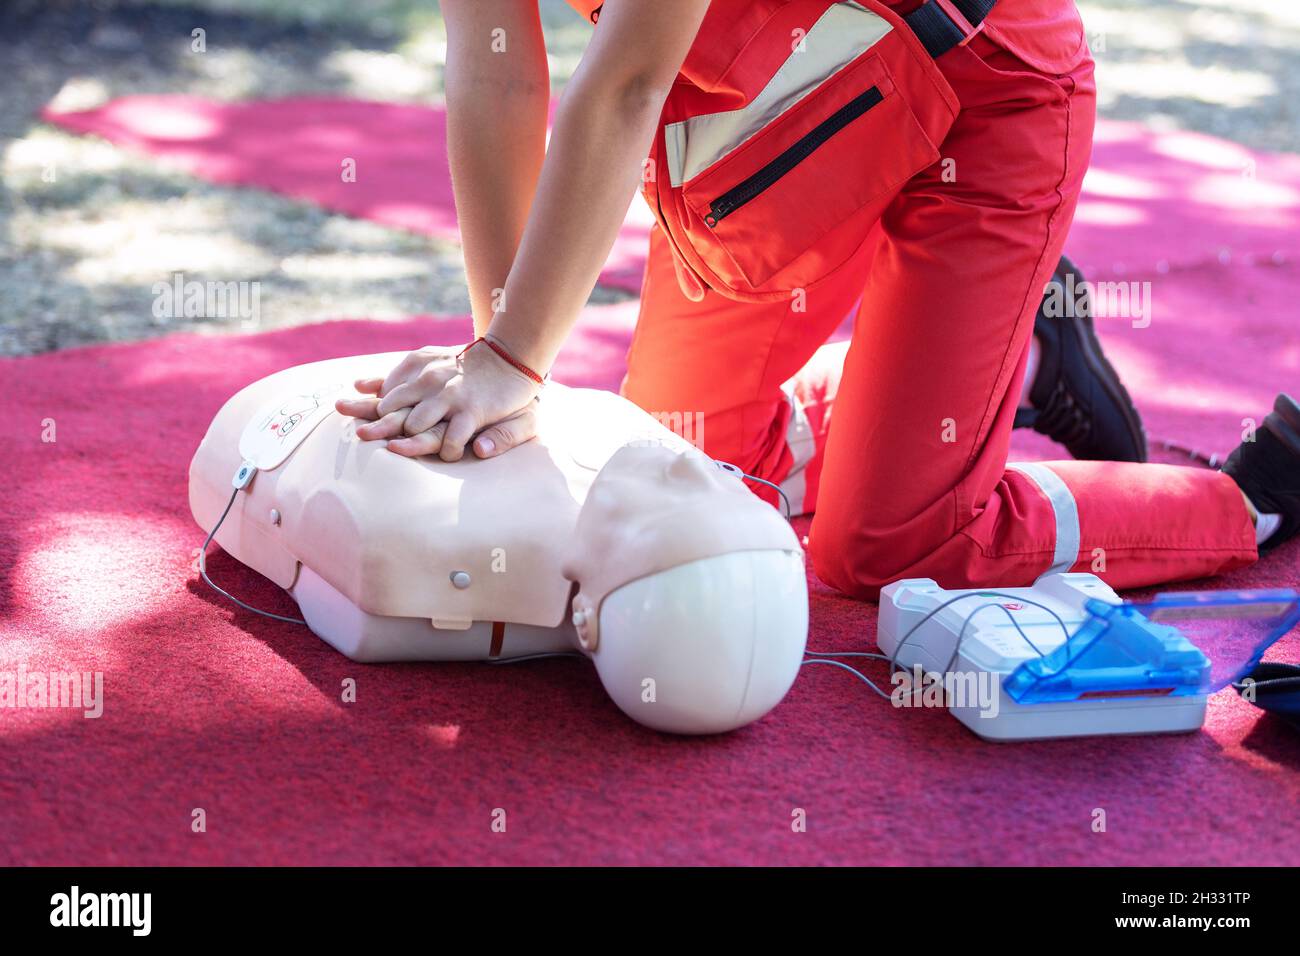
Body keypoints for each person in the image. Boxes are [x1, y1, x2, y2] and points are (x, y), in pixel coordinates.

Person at [337, 0, 1298, 598]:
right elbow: (498, 71)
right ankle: (1029, 360)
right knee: (684, 469)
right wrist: (499, 370)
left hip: (988, 93)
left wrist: (511, 361)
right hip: (773, 125)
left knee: (891, 551)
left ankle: (1249, 496)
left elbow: (626, 85)